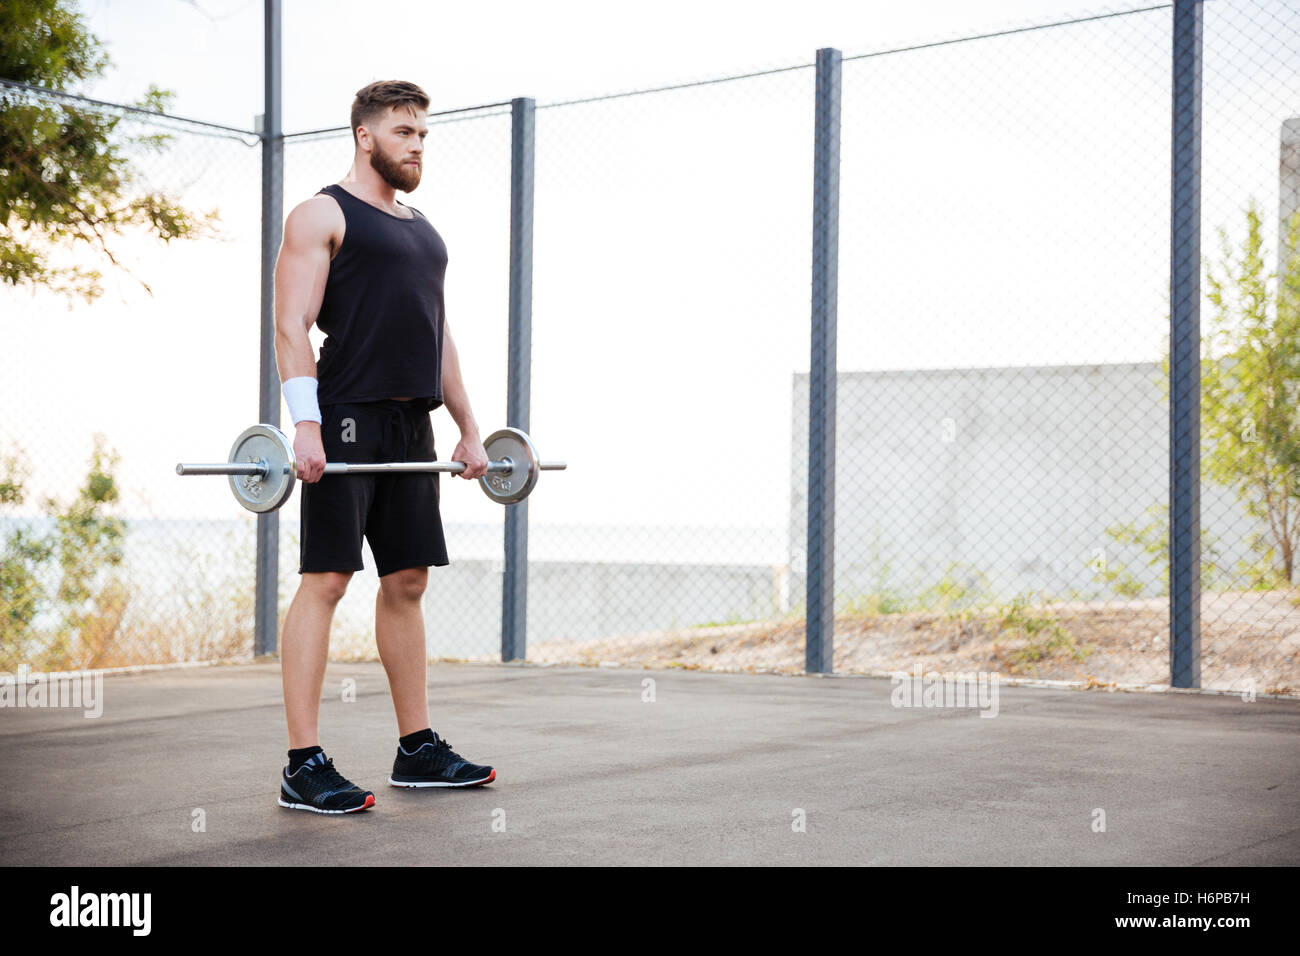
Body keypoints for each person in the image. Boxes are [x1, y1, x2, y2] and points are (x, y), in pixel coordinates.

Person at [271, 80, 494, 814]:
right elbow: (292, 324)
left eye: (423, 133)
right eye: (404, 132)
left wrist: (468, 427)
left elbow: (439, 335)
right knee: (328, 581)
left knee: (407, 582)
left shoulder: (423, 228)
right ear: (365, 136)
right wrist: (304, 423)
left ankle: (417, 749)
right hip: (343, 415)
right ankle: (303, 763)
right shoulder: (321, 213)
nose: (417, 144)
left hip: (411, 423)